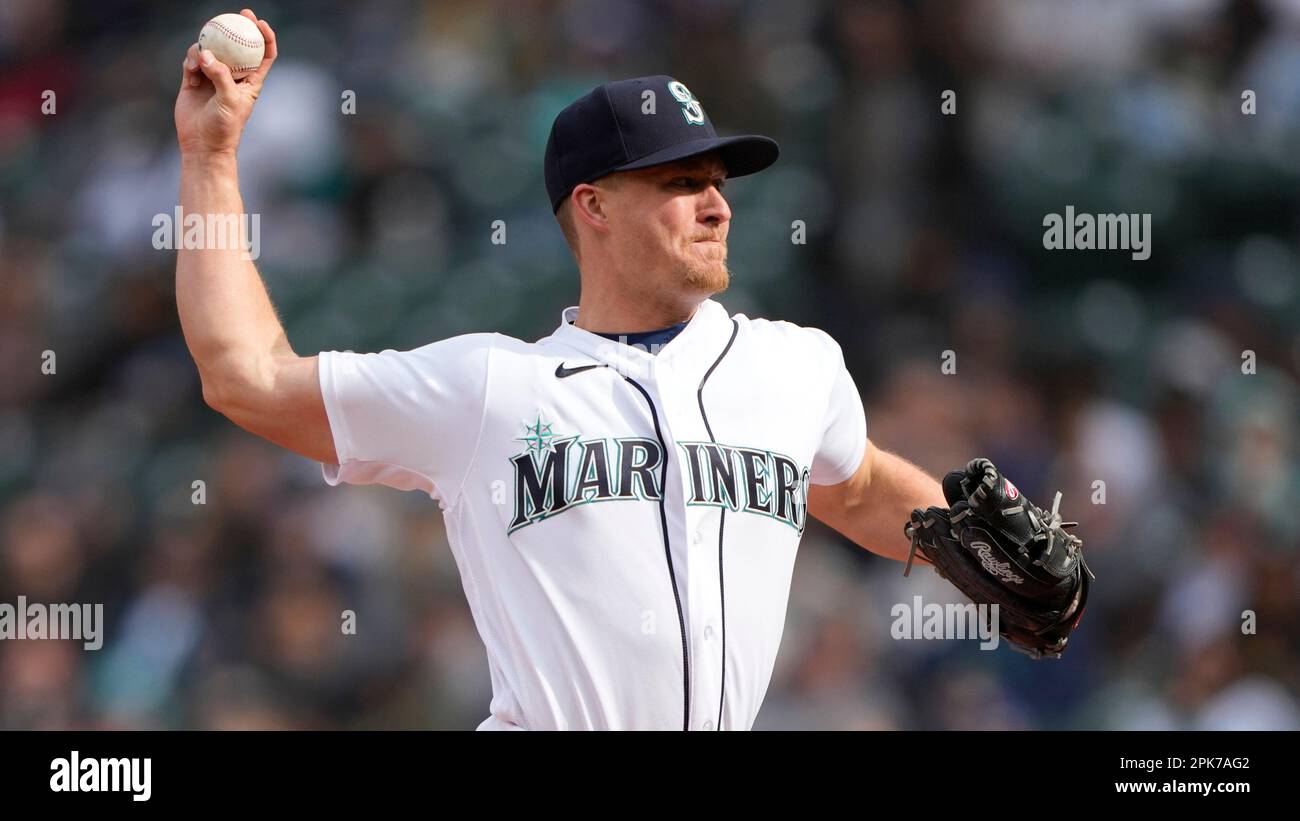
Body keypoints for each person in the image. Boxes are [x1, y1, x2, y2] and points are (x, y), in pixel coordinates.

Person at [174, 9, 947, 731]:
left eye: (717, 181)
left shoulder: (792, 364)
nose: (717, 206)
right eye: (681, 183)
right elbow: (244, 375)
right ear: (594, 207)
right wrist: (210, 158)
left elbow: (861, 489)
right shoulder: (489, 389)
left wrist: (1001, 567)